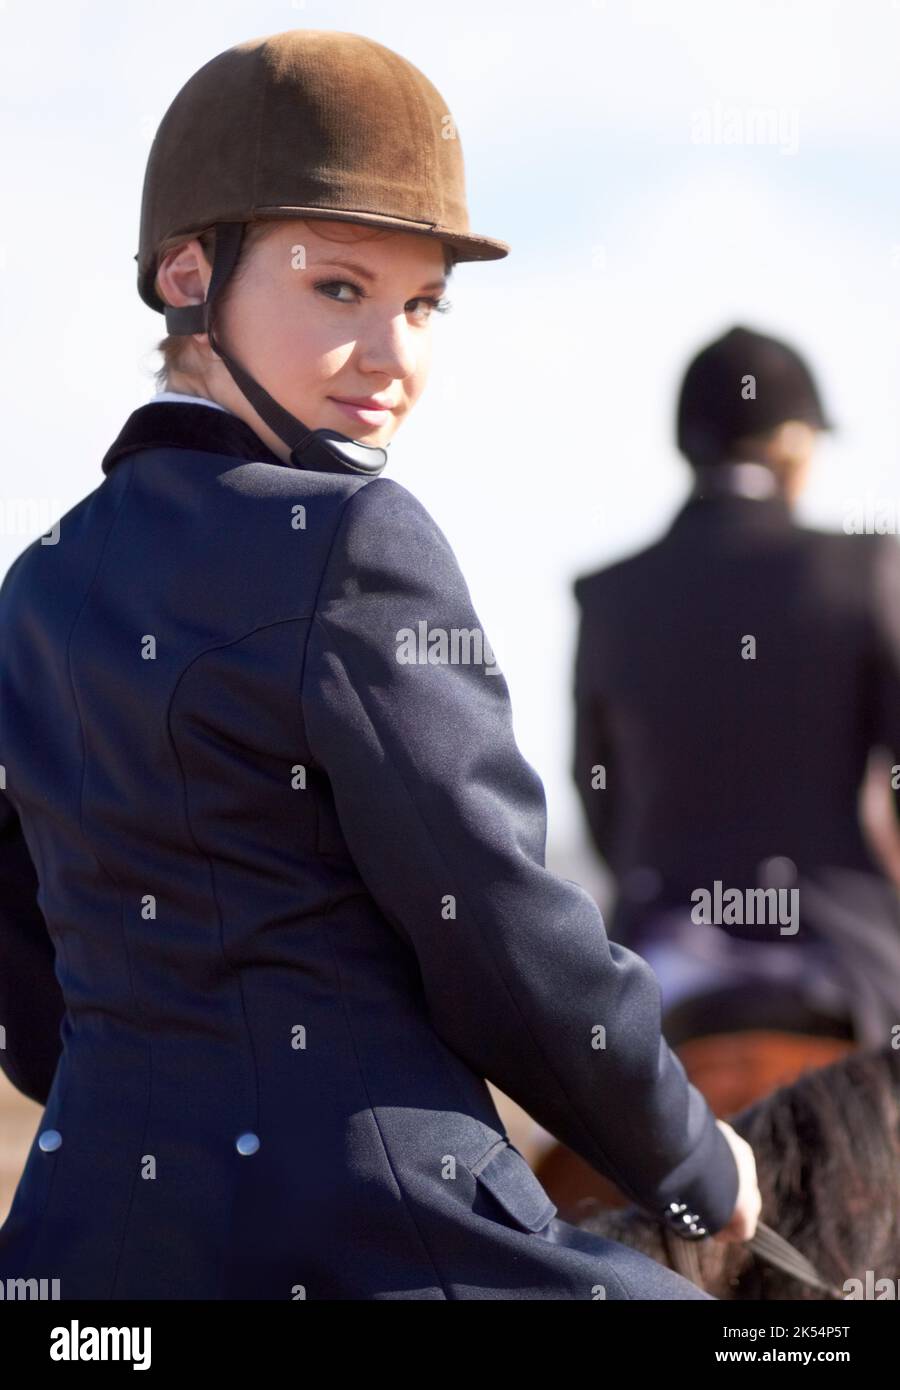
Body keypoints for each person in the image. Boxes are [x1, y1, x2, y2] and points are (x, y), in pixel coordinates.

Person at [0, 30, 757, 1300]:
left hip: (83, 1261)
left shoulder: (35, 586)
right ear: (189, 275)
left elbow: (32, 992)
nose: (396, 357)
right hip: (369, 1238)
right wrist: (691, 1153)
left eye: (421, 305)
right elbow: (503, 926)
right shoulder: (353, 539)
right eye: (341, 290)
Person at [572, 325, 900, 1050]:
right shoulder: (868, 568)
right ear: (790, 439)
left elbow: (599, 799)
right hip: (842, 964)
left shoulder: (611, 594)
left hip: (664, 964)